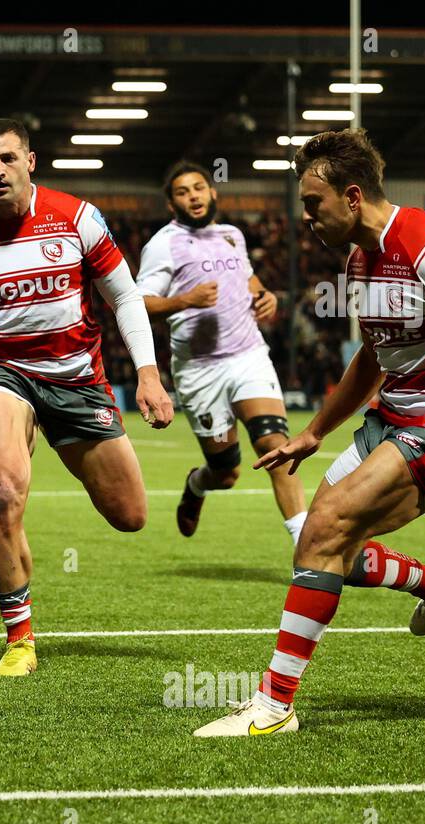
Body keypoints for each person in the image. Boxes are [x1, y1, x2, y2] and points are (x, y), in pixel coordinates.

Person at [195, 128, 425, 737]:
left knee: (323, 532)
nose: (305, 216)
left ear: (350, 196)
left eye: (312, 203)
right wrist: (316, 431)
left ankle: (272, 706)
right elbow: (373, 356)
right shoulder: (357, 259)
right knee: (321, 550)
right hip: (392, 418)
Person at [0, 117, 173, 678]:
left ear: (30, 161)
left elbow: (123, 296)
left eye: (8, 159)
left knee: (131, 515)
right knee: (3, 493)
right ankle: (19, 638)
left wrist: (147, 373)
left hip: (77, 380)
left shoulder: (76, 218)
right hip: (7, 374)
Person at [137, 160, 307, 544]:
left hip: (248, 356)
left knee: (275, 445)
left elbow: (249, 278)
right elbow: (138, 302)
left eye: (198, 188)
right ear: (171, 204)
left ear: (213, 193)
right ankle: (197, 485)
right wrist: (185, 300)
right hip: (200, 371)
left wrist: (265, 297)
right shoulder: (163, 244)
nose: (193, 196)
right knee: (226, 473)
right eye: (182, 192)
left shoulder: (232, 234)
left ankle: (307, 545)